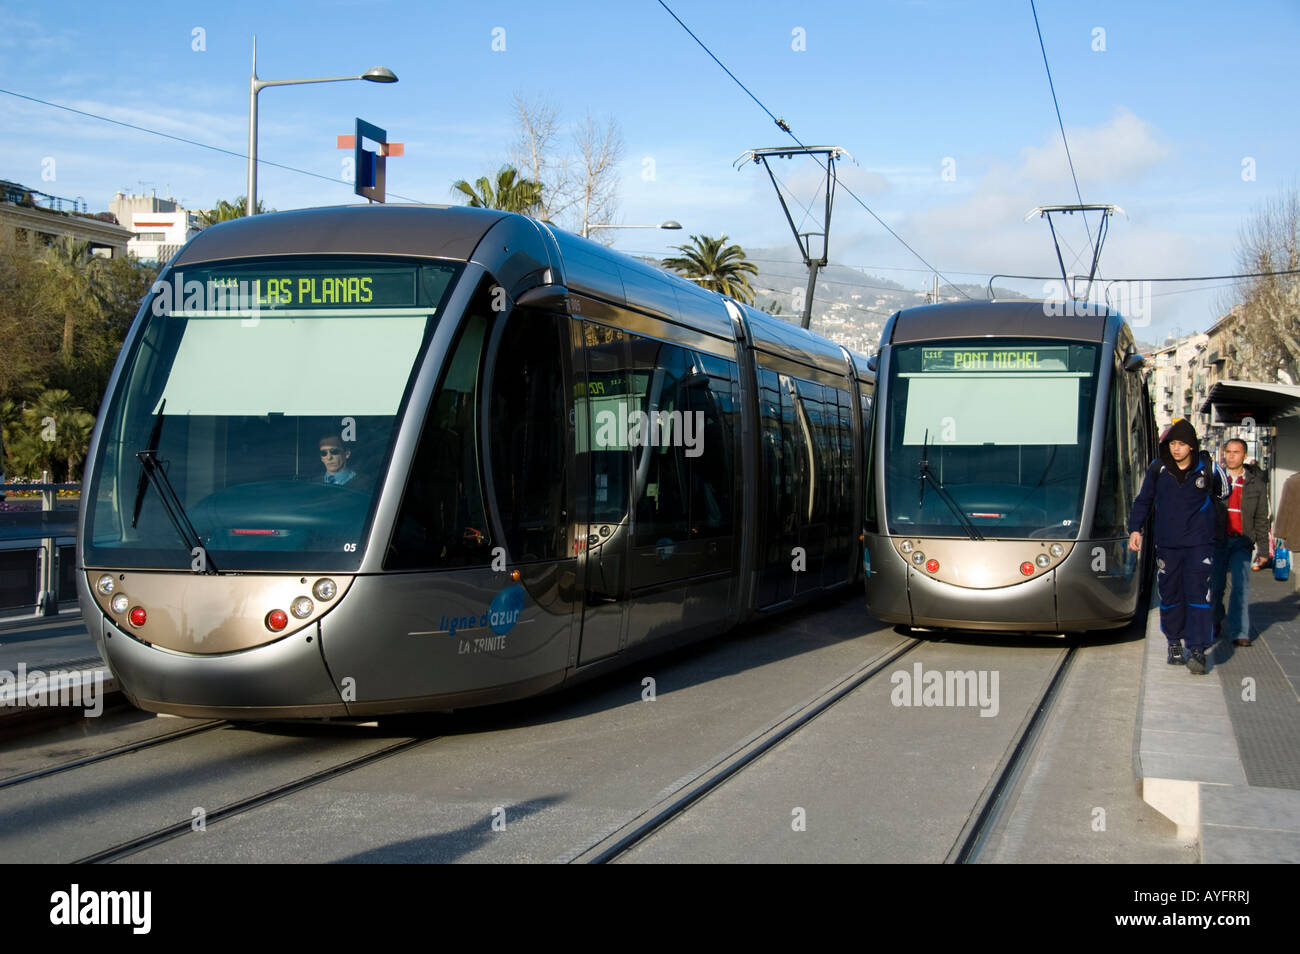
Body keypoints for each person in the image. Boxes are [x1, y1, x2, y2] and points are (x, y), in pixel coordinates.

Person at [1128, 419, 1230, 675]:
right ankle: (1174, 641)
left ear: (1192, 447)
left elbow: (1223, 493)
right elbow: (1144, 501)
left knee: (1198, 596)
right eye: (1173, 443)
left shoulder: (1208, 468)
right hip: (1168, 544)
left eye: (1182, 444)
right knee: (1171, 594)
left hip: (1199, 544)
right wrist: (1135, 529)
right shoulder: (1158, 468)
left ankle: (1197, 648)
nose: (1176, 449)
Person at [1211, 439, 1270, 647]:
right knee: (1216, 586)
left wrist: (1264, 549)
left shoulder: (1257, 485)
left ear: (1244, 456)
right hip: (1218, 541)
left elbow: (1262, 519)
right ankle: (1215, 620)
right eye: (1228, 452)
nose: (1231, 456)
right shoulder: (1215, 480)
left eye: (1236, 452)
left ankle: (1240, 632)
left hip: (1242, 542)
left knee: (1241, 586)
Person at [1275, 471, 1300, 595]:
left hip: (1297, 536)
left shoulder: (1292, 482)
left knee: (1299, 569)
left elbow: (1284, 510)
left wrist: (1280, 534)